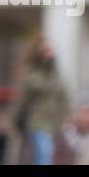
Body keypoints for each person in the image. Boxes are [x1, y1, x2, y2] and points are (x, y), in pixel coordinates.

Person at [10, 37, 68, 165]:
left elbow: (63, 97)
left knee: (44, 154)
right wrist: (16, 119)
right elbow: (23, 99)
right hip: (36, 120)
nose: (49, 53)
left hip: (52, 121)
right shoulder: (32, 74)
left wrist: (66, 116)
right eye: (45, 50)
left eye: (50, 50)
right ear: (38, 53)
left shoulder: (55, 74)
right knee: (44, 153)